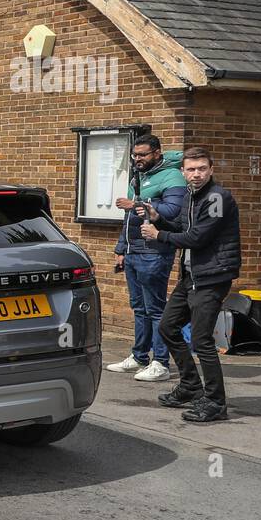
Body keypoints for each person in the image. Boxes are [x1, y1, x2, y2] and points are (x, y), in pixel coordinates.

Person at [140, 147, 241, 422]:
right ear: (183, 172)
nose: (196, 174)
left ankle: (216, 403)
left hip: (212, 277)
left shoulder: (218, 198)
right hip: (191, 277)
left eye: (201, 168)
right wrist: (160, 219)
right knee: (168, 327)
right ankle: (190, 386)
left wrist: (157, 234)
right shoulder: (190, 197)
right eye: (191, 169)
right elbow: (183, 229)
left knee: (201, 340)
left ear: (211, 169)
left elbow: (197, 238)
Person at [106, 134, 187, 382]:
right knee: (139, 308)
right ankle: (139, 356)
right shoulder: (138, 176)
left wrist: (136, 203)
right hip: (133, 251)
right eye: (135, 155)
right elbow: (128, 219)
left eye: (143, 155)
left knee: (155, 309)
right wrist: (121, 249)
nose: (138, 159)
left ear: (157, 153)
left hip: (154, 251)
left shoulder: (172, 177)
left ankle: (160, 362)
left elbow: (173, 211)